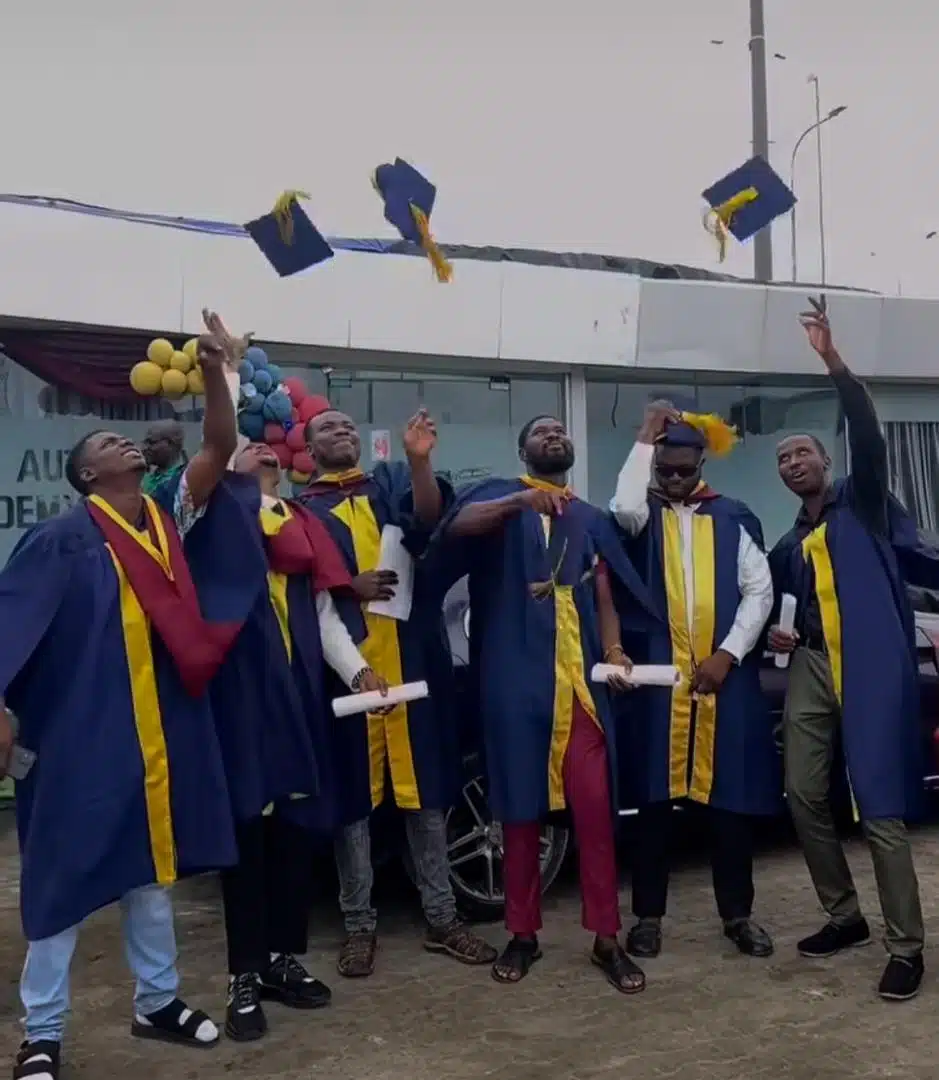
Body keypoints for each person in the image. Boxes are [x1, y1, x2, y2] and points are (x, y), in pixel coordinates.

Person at [0, 313, 257, 1080]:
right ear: (86, 477)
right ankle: (40, 1033)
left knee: (152, 873)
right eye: (105, 445)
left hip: (161, 732)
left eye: (124, 441)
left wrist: (214, 369)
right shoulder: (62, 538)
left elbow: (216, 445)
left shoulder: (168, 518)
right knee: (63, 880)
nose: (123, 443)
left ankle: (158, 1002)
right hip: (83, 733)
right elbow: (8, 624)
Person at [437, 415, 660, 993]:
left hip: (579, 688)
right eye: (541, 431)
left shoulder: (587, 519)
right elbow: (456, 526)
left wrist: (613, 648)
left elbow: (605, 590)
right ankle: (522, 933)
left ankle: (606, 939)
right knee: (516, 811)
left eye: (561, 429)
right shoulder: (496, 505)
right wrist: (519, 502)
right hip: (514, 682)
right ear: (523, 450)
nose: (554, 434)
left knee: (595, 811)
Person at [768, 304, 939, 1001]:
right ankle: (844, 916)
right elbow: (781, 611)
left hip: (869, 665)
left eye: (801, 452)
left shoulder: (863, 503)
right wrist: (777, 635)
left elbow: (867, 434)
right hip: (810, 664)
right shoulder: (787, 546)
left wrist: (833, 363)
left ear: (825, 461)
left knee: (879, 809)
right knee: (803, 793)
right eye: (780, 458)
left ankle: (906, 946)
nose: (790, 463)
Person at [297, 407, 496, 977]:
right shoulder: (303, 512)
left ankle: (443, 917)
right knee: (353, 810)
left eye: (348, 426)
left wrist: (418, 460)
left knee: (426, 798)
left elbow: (429, 520)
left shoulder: (387, 485)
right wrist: (345, 588)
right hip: (348, 671)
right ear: (309, 449)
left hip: (414, 660)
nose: (341, 431)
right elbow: (311, 595)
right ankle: (359, 925)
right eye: (327, 428)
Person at [202, 441, 388, 1042]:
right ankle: (243, 976)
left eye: (269, 447)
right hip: (243, 705)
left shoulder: (305, 524)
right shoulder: (214, 522)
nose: (263, 448)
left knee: (293, 835)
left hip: (302, 696)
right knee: (247, 841)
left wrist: (357, 669)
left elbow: (324, 612)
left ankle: (283, 959)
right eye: (246, 444)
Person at [610, 405, 778, 961]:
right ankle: (648, 918)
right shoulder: (641, 518)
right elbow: (624, 505)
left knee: (729, 807)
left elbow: (760, 592)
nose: (676, 480)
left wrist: (728, 654)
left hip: (721, 683)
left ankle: (738, 916)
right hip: (664, 683)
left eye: (685, 470)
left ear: (702, 463)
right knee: (655, 809)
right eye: (667, 471)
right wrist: (643, 439)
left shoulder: (732, 516)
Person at [141, 419, 188, 495]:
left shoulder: (184, 479)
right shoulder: (146, 478)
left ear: (170, 443)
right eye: (145, 443)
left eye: (151, 442)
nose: (144, 448)